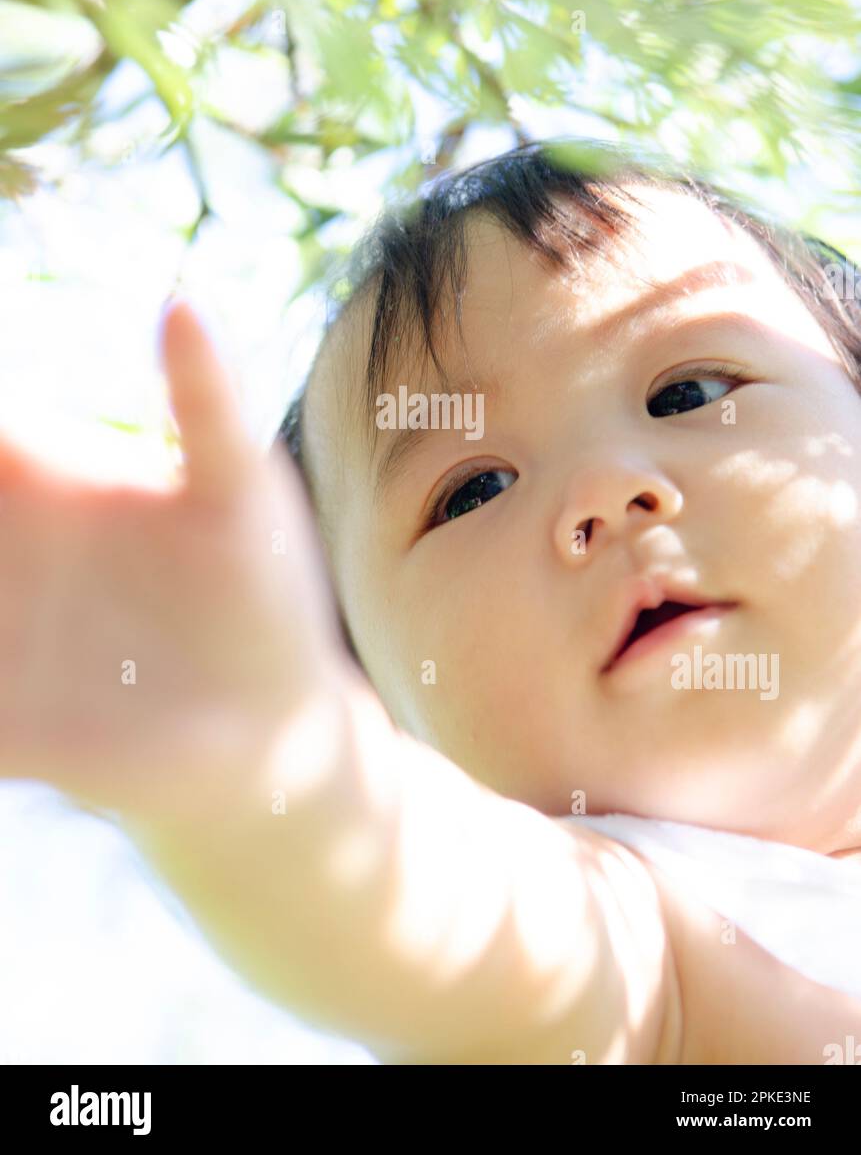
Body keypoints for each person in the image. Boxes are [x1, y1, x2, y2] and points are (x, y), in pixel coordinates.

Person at [6, 139, 861, 1064]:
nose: (605, 491)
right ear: (374, 704)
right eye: (472, 492)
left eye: (686, 392)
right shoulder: (661, 944)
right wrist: (251, 755)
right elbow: (449, 920)